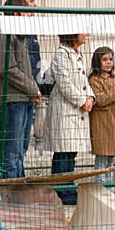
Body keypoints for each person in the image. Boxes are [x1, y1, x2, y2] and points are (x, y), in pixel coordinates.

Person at [0, 0, 42, 179]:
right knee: (11, 152)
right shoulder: (3, 31)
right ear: (17, 7)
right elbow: (6, 67)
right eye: (30, 2)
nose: (35, 6)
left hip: (24, 98)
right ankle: (8, 195)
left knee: (20, 150)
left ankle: (18, 189)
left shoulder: (21, 32)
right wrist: (33, 88)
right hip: (12, 100)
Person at [47, 33, 95, 206]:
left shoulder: (78, 54)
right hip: (65, 109)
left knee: (71, 152)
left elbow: (84, 81)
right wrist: (82, 100)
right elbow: (64, 83)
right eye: (83, 31)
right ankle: (61, 189)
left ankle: (68, 186)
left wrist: (90, 97)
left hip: (77, 110)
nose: (86, 34)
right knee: (63, 152)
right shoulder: (62, 53)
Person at [87, 46, 115, 181]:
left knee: (111, 160)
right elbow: (101, 100)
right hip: (103, 124)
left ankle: (109, 187)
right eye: (105, 60)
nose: (109, 62)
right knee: (102, 160)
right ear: (97, 62)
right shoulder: (95, 79)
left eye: (111, 59)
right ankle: (100, 187)